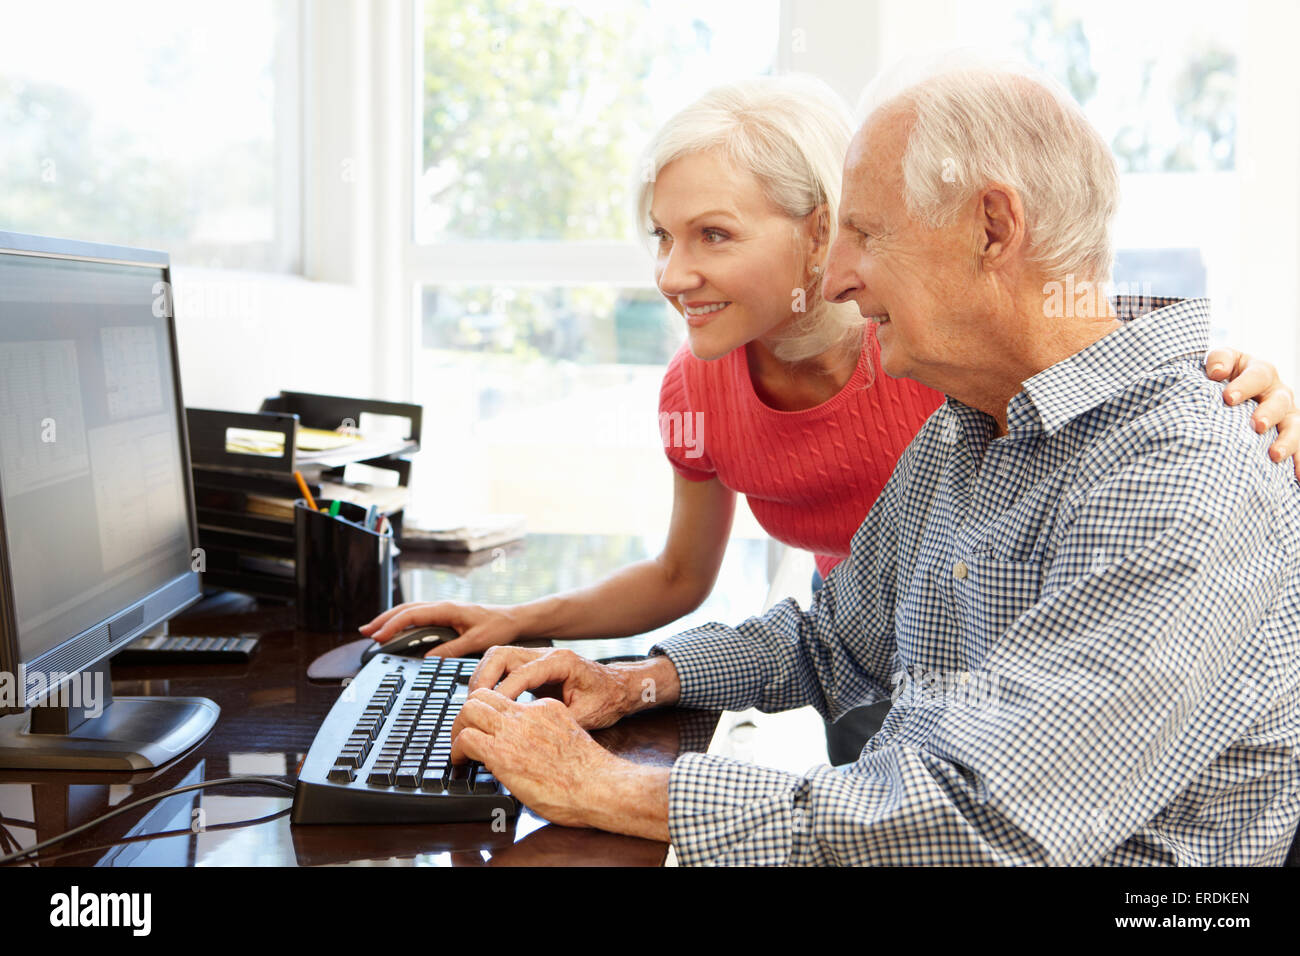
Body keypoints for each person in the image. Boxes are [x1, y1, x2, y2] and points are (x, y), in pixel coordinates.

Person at [440, 58, 1300, 865]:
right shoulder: (965, 429)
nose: (839, 276)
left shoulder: (1179, 472)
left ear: (993, 228)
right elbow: (832, 639)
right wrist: (636, 682)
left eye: (865, 234)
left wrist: (614, 788)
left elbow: (977, 816)